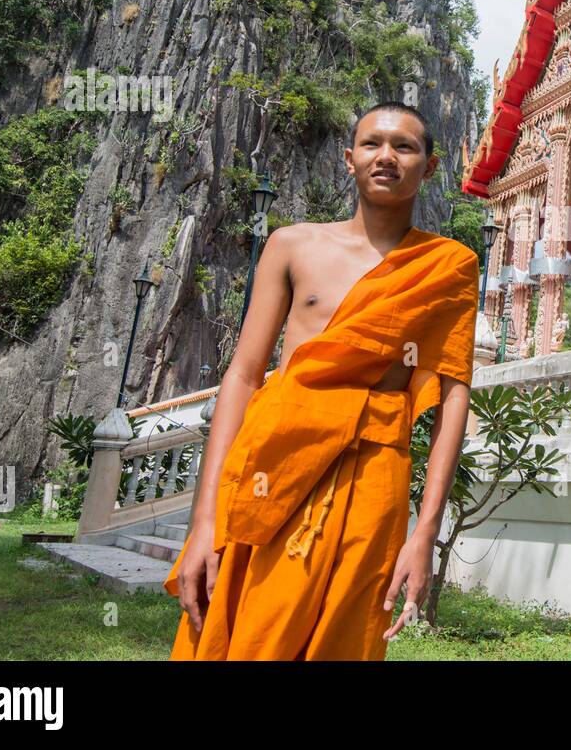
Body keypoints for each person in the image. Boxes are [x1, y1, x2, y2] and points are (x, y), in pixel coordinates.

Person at [162, 101, 480, 660]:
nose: (387, 157)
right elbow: (242, 375)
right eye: (372, 144)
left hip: (374, 469)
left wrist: (424, 530)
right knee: (247, 623)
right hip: (277, 460)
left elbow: (454, 394)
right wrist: (205, 520)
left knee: (343, 634)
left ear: (429, 167)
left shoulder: (449, 265)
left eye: (405, 147)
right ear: (348, 159)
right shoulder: (293, 245)